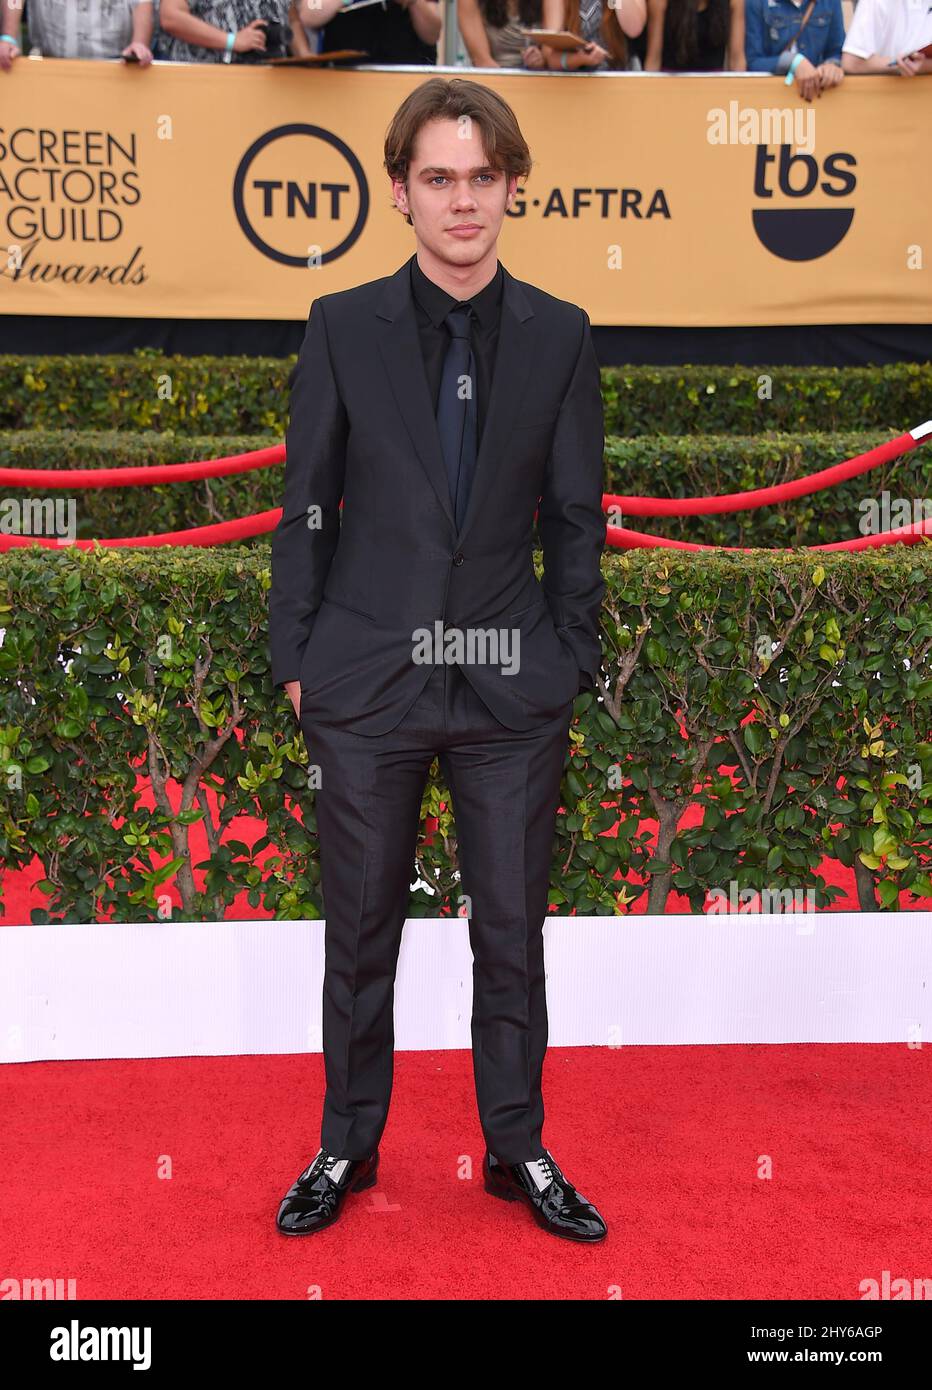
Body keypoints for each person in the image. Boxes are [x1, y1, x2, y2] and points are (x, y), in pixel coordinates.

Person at [269, 76, 608, 1242]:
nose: (462, 201)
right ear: (399, 192)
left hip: (511, 686)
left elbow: (574, 516)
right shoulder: (340, 325)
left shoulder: (559, 332)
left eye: (481, 177)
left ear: (510, 186)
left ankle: (515, 1147)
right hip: (367, 684)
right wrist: (297, 655)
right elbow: (304, 502)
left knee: (509, 935)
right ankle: (344, 1145)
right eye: (438, 179)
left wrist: (567, 654)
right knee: (357, 932)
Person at [0, 0, 154, 67]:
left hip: (118, 68)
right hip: (50, 65)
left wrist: (139, 43)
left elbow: (141, 1)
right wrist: (9, 37)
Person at [745, 0, 845, 98]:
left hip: (818, 95)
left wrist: (831, 66)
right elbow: (752, 63)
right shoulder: (756, 2)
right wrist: (793, 62)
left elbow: (836, 51)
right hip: (772, 98)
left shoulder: (831, 2)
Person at [304, 0, 442, 65]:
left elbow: (432, 34)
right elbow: (309, 14)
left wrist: (415, 2)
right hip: (345, 77)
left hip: (406, 74)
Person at [158, 0, 295, 61]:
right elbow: (171, 17)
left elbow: (294, 20)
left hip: (273, 82)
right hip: (209, 80)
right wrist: (231, 40)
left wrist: (307, 59)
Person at [540, 0, 647, 69]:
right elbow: (550, 56)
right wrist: (579, 58)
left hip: (619, 79)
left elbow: (633, 28)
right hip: (575, 83)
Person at [644, 0, 746, 72]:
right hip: (670, 83)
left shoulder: (735, 2)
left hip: (714, 84)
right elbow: (654, 59)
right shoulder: (659, 2)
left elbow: (737, 59)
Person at [841, 0, 932, 73]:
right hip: (886, 91)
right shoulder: (876, 2)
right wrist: (897, 64)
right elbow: (851, 63)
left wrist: (925, 66)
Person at [457, 0, 547, 69]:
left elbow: (549, 53)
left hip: (539, 76)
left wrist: (540, 60)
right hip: (492, 79)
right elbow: (482, 61)